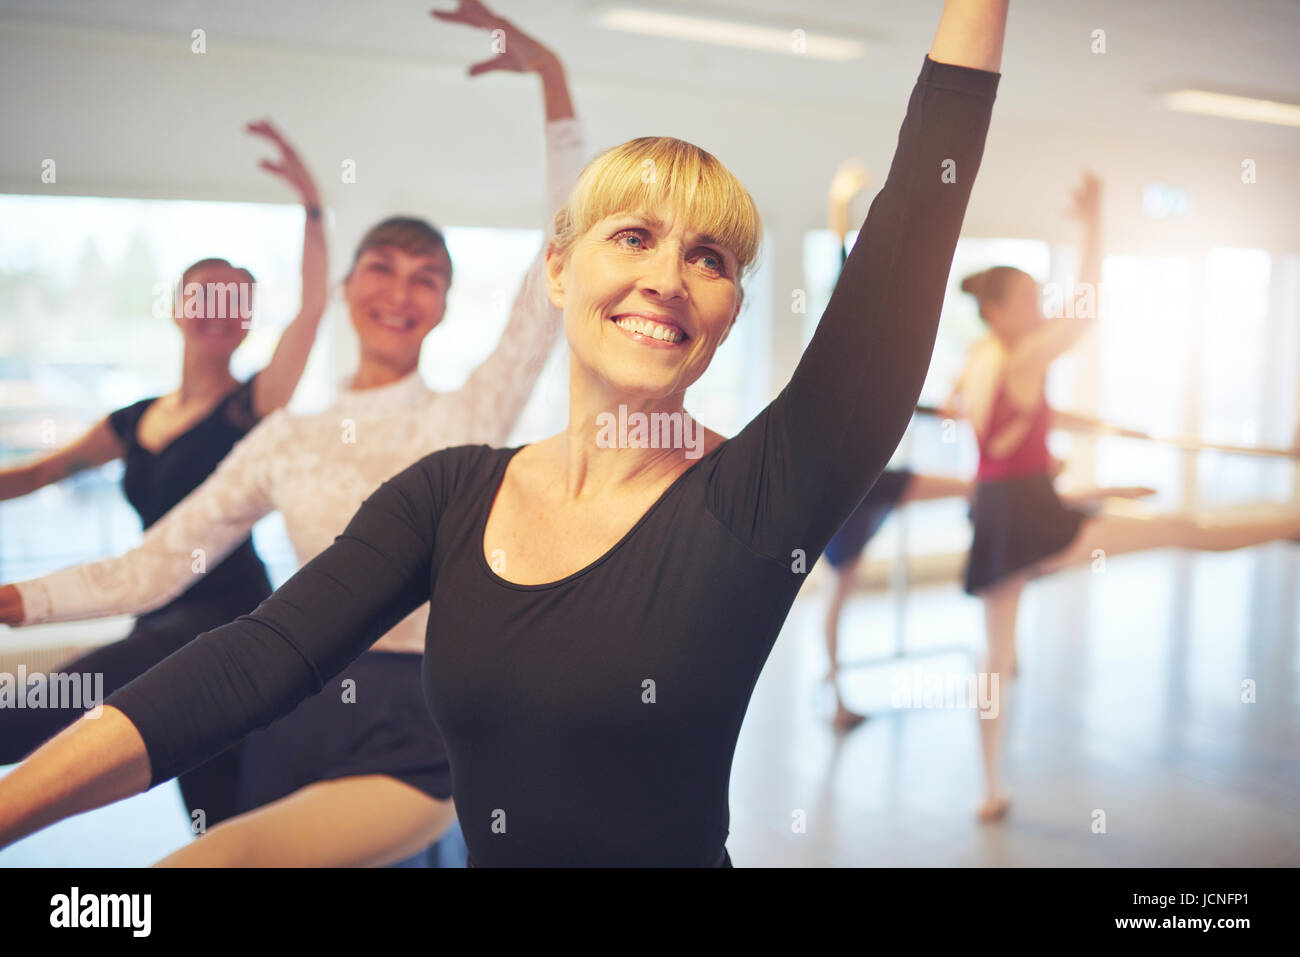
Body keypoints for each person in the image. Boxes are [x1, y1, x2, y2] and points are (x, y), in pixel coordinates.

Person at [0, 0, 1010, 867]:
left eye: (708, 258)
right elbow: (257, 658)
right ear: (558, 272)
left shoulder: (758, 497)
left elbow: (920, 208)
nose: (666, 275)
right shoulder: (448, 495)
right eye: (632, 237)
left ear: (732, 309)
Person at [0, 0, 583, 866]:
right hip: (298, 700)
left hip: (431, 714)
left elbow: (560, 259)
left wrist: (554, 79)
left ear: (444, 305)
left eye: (427, 276)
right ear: (348, 289)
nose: (401, 288)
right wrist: (22, 601)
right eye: (381, 266)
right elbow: (158, 562)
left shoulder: (471, 408)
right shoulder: (287, 436)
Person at [0, 119, 327, 828]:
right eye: (204, 294)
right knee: (216, 803)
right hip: (159, 609)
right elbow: (31, 477)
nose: (218, 309)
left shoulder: (255, 405)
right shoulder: (131, 420)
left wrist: (312, 207)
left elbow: (313, 308)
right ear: (180, 309)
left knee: (34, 712)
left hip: (230, 618)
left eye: (234, 299)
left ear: (245, 323)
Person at [952, 172, 1300, 823]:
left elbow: (1001, 435)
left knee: (995, 654)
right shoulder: (1024, 354)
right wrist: (1093, 225)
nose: (1040, 306)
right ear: (999, 309)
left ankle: (988, 788)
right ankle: (1291, 522)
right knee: (1181, 527)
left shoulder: (978, 359)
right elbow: (1087, 305)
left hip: (999, 511)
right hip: (1034, 514)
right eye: (1028, 297)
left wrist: (1086, 434)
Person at [820, 159, 972, 731]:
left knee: (977, 487)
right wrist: (839, 208)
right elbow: (844, 276)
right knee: (840, 589)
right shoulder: (847, 335)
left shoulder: (888, 344)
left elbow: (898, 403)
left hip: (877, 479)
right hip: (845, 488)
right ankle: (837, 698)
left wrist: (942, 411)